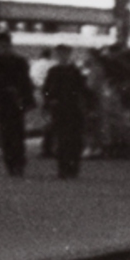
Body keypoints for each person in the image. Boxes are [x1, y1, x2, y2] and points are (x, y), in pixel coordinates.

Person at [0, 32, 34, 176]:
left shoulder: (2, 62)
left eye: (3, 45)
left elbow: (25, 82)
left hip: (12, 100)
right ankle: (13, 163)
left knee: (14, 133)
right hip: (6, 101)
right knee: (10, 134)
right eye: (0, 46)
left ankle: (16, 163)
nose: (1, 48)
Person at [42, 45, 88, 178]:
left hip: (71, 108)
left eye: (64, 54)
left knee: (72, 139)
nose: (62, 56)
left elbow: (82, 89)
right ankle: (65, 168)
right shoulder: (57, 71)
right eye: (60, 54)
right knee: (64, 139)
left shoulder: (72, 71)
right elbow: (47, 90)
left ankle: (71, 167)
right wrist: (49, 102)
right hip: (62, 109)